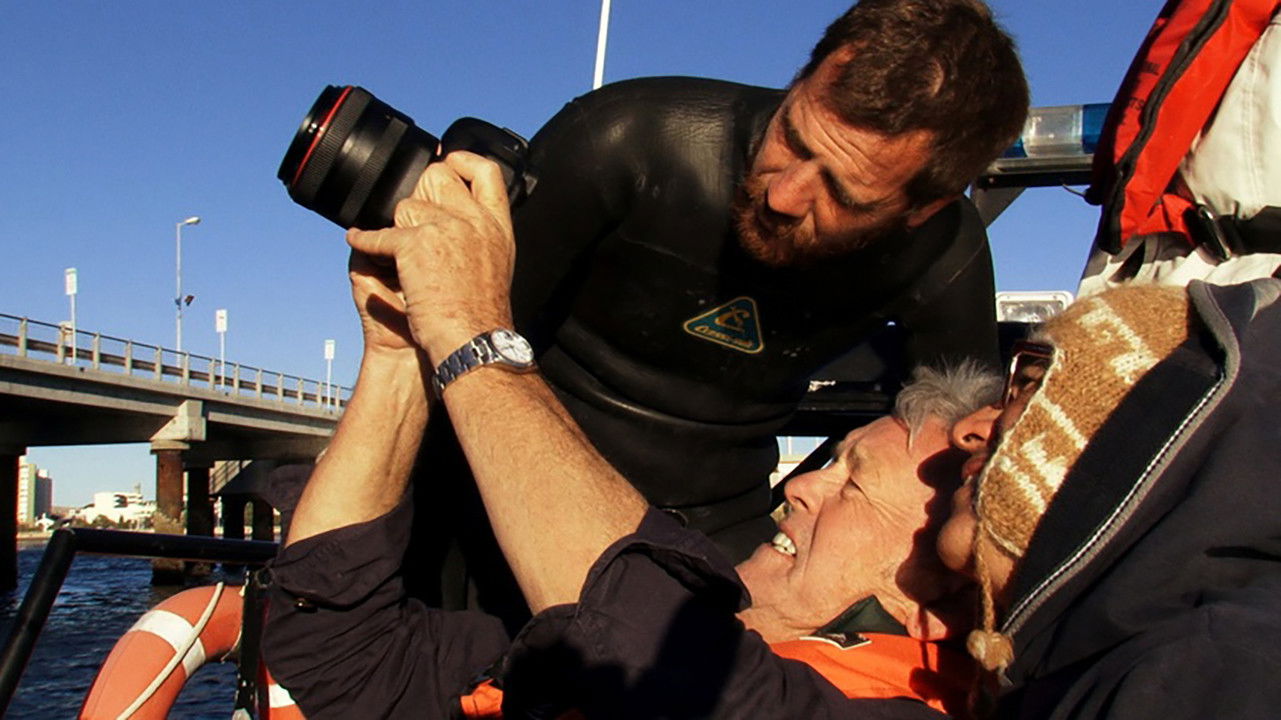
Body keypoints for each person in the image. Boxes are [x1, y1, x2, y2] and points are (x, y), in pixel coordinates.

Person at [262, 152, 1004, 718]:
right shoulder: (692, 631)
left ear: (926, 610)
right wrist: (399, 351)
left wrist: (470, 330)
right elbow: (337, 651)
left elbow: (649, 655)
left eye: (853, 483)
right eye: (832, 464)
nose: (801, 485)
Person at [419, 0, 1030, 628]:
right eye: (791, 137)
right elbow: (457, 352)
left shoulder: (942, 253)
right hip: (510, 495)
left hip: (723, 535)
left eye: (842, 195)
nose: (783, 194)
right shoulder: (626, 140)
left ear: (921, 210)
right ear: (799, 80)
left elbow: (955, 474)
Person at [938, 281, 1281, 717]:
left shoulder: (1216, 679)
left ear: (1121, 441)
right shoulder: (1113, 661)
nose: (966, 429)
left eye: (1028, 384)